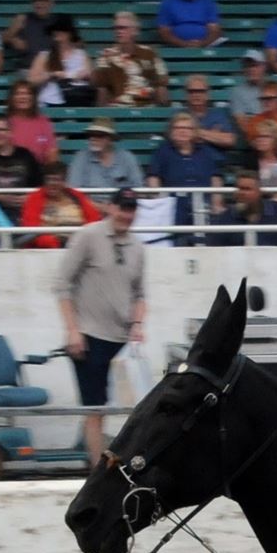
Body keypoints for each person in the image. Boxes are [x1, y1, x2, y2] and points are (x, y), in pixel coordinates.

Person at [54, 188, 146, 460]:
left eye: (131, 209)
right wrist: (73, 330)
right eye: (122, 208)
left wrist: (138, 323)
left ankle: (117, 465)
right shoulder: (88, 236)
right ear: (111, 207)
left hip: (124, 342)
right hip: (89, 336)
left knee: (133, 408)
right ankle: (95, 473)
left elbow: (140, 294)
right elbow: (61, 285)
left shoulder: (138, 247)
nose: (126, 214)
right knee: (95, 409)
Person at [145, 111, 222, 244]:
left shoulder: (205, 152)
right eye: (178, 128)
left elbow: (215, 178)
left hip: (203, 205)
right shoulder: (163, 152)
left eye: (187, 128)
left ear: (194, 132)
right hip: (174, 206)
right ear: (171, 131)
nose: (183, 131)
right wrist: (158, 201)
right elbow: (153, 177)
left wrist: (216, 203)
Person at [211, 168, 277, 245]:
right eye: (239, 188)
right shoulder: (226, 217)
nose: (241, 193)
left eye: (247, 189)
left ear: (259, 192)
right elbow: (216, 250)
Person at [93, 11, 168, 107]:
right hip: (117, 110)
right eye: (116, 28)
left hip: (146, 109)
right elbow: (99, 84)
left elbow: (161, 82)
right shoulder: (106, 55)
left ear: (135, 31)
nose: (118, 31)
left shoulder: (149, 54)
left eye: (123, 28)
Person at [18, 161, 100, 249]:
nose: (52, 184)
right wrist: (56, 244)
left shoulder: (77, 196)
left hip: (80, 244)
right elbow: (31, 229)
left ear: (64, 182)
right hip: (48, 249)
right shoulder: (34, 198)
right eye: (48, 179)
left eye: (57, 180)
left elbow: (93, 221)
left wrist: (82, 241)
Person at [67, 118, 143, 191]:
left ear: (110, 139)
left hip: (121, 203)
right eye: (90, 135)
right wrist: (100, 205)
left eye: (99, 135)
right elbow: (74, 190)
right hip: (89, 203)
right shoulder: (80, 158)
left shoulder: (127, 158)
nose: (93, 138)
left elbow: (139, 188)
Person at [6, 76, 55, 160]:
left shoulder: (43, 121)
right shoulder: (5, 122)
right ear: (12, 98)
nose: (23, 97)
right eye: (18, 94)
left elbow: (52, 151)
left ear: (33, 98)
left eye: (28, 93)